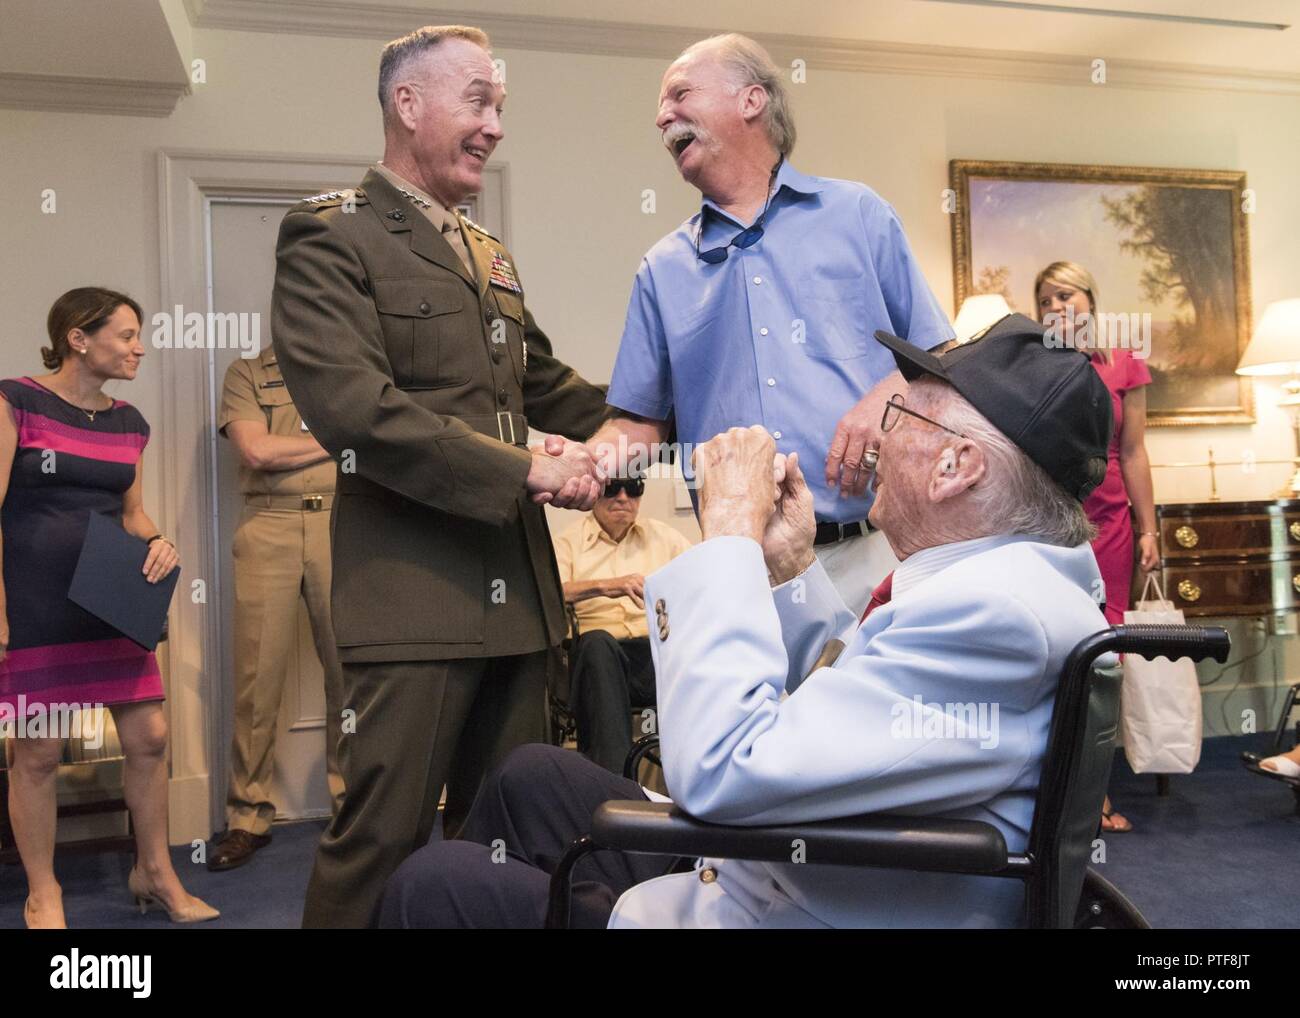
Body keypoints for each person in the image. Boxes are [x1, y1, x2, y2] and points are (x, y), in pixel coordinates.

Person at [378, 313, 1114, 929]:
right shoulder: (1008, 584)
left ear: (958, 466)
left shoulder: (993, 613)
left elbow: (724, 773)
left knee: (435, 882)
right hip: (799, 866)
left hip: (787, 905)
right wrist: (790, 567)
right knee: (529, 776)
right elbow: (861, 712)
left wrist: (728, 528)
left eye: (902, 415)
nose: (880, 438)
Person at [270, 24, 608, 928]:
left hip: (522, 600)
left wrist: (656, 417)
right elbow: (354, 409)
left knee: (511, 833)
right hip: (415, 598)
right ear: (406, 104)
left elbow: (545, 385)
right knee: (380, 841)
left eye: (501, 106)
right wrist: (528, 468)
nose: (496, 125)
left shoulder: (487, 254)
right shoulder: (330, 232)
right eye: (479, 101)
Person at [587, 33, 954, 615]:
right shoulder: (662, 269)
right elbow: (640, 423)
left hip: (875, 556)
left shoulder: (857, 214)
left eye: (680, 94)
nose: (662, 117)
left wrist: (889, 392)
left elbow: (944, 360)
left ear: (751, 100)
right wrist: (585, 462)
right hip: (742, 570)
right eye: (661, 109)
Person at [0, 287, 218, 927]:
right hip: (37, 605)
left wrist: (158, 542)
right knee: (38, 752)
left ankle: (154, 870)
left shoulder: (130, 423)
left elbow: (131, 513)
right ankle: (45, 891)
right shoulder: (16, 401)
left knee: (150, 736)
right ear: (78, 337)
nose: (139, 347)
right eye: (125, 335)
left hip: (111, 600)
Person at [207, 345, 344, 871]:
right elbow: (257, 451)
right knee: (256, 682)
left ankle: (351, 807)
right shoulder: (247, 373)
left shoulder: (347, 365)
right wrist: (334, 440)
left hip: (343, 524)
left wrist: (298, 446)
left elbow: (378, 442)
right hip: (270, 523)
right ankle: (247, 817)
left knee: (350, 678)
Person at [1035, 261, 1157, 834]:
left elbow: (1132, 452)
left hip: (1110, 522)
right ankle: (1042, 788)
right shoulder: (1034, 362)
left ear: (1091, 300)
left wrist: (1150, 529)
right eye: (1045, 299)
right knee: (1053, 647)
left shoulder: (1124, 363)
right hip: (1051, 518)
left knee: (1106, 652)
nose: (1057, 307)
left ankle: (1094, 792)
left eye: (1067, 295)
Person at [553, 474, 693, 772]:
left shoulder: (664, 538)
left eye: (633, 488)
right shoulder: (569, 542)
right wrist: (606, 586)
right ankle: (615, 783)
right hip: (596, 661)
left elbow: (702, 581)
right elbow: (550, 590)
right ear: (594, 493)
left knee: (698, 648)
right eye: (612, 488)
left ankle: (710, 781)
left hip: (654, 658)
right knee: (597, 643)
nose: (622, 497)